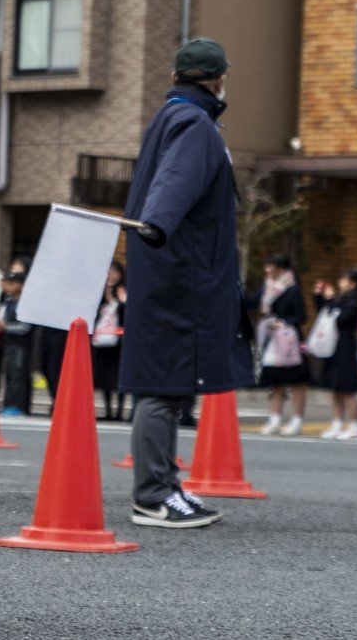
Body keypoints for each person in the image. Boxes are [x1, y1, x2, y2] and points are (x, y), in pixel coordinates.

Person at [121, 37, 252, 529]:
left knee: (166, 383)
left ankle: (164, 488)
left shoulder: (170, 117)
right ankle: (154, 496)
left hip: (164, 268)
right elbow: (174, 182)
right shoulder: (197, 125)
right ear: (219, 79)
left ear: (176, 77)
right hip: (182, 275)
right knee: (164, 386)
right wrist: (159, 221)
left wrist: (157, 226)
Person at [252, 255, 309, 436]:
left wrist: (282, 322)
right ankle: (274, 420)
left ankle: (297, 421)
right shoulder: (267, 286)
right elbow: (253, 302)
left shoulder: (293, 289)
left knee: (297, 383)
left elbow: (302, 316)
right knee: (275, 383)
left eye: (270, 266)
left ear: (281, 269)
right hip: (273, 342)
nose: (267, 270)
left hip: (290, 342)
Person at [313, 272, 357, 441]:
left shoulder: (354, 302)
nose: (340, 282)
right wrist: (319, 296)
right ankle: (336, 424)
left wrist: (331, 300)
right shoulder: (342, 300)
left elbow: (340, 319)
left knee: (348, 390)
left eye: (343, 279)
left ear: (353, 283)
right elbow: (324, 312)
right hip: (334, 348)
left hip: (347, 349)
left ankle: (355, 427)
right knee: (336, 389)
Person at [0, 270, 33, 416]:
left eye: (12, 283)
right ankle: (9, 404)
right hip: (9, 342)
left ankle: (17, 405)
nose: (8, 286)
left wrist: (6, 327)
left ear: (21, 285)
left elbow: (26, 327)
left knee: (18, 374)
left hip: (21, 344)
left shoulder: (25, 303)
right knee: (9, 374)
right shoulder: (8, 301)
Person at [92, 261, 127, 422]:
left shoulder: (124, 291)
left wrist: (121, 299)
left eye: (114, 272)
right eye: (108, 272)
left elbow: (127, 312)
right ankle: (107, 409)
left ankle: (119, 410)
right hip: (102, 340)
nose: (110, 276)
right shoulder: (99, 293)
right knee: (103, 375)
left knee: (118, 375)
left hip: (119, 342)